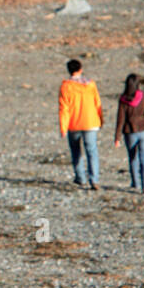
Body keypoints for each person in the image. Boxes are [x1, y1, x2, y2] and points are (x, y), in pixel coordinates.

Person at [59, 58, 102, 190]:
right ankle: (94, 179)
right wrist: (101, 119)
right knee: (92, 151)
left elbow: (64, 108)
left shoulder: (66, 86)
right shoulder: (91, 84)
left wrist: (63, 127)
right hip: (91, 122)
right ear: (81, 69)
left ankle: (81, 178)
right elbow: (98, 103)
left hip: (74, 123)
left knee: (76, 151)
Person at [113, 73, 144, 195]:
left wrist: (117, 138)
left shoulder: (123, 99)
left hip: (130, 132)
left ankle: (135, 182)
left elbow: (120, 120)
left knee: (132, 157)